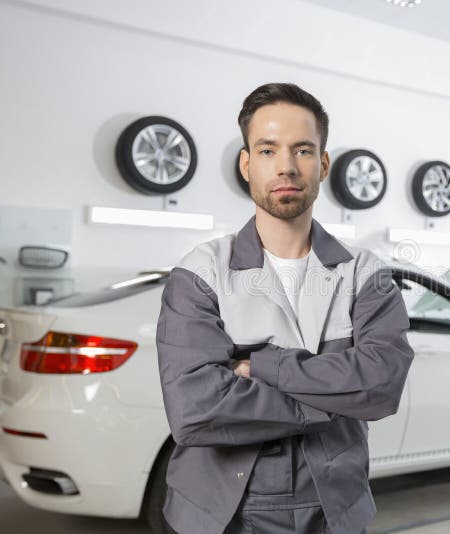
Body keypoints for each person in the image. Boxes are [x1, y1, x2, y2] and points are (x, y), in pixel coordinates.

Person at [156, 82, 414, 534]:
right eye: (268, 150)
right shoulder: (200, 272)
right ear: (247, 164)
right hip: (224, 512)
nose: (287, 167)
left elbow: (380, 385)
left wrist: (265, 366)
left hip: (333, 507)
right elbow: (195, 410)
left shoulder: (365, 274)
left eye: (303, 150)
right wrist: (329, 403)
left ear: (324, 163)